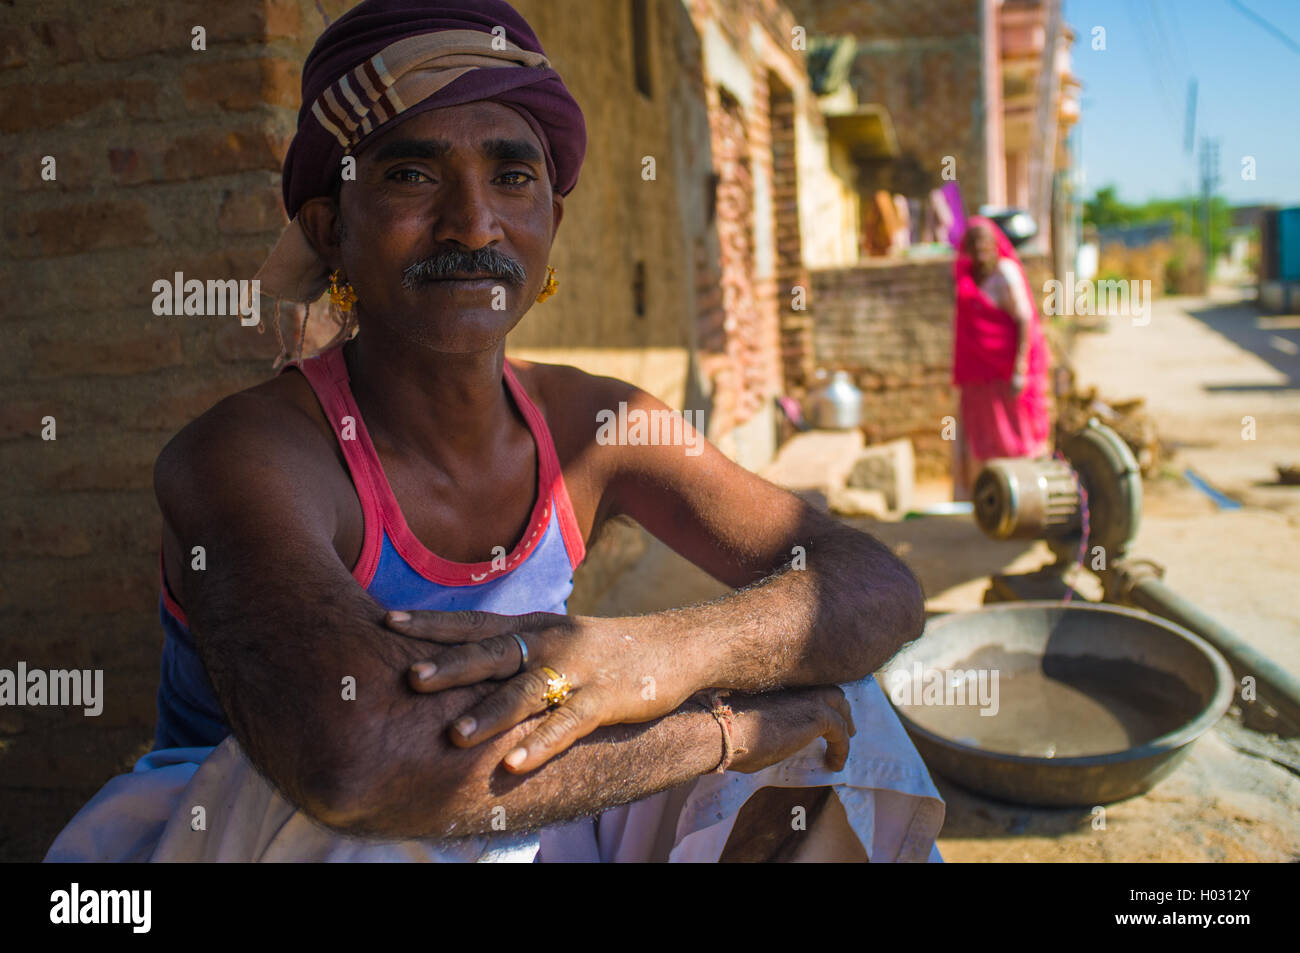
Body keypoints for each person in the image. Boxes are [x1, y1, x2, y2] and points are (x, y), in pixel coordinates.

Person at [45, 0, 944, 863]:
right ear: (332, 228)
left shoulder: (596, 424)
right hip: (273, 832)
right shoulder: (244, 454)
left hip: (505, 802)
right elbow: (353, 762)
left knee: (849, 716)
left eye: (513, 177)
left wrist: (650, 655)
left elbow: (873, 587)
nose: (474, 223)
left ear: (550, 219)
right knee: (380, 805)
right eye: (411, 174)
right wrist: (719, 731)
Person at [951, 217, 1051, 500]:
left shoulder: (1005, 272)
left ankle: (1030, 500)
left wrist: (1019, 369)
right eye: (973, 243)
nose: (980, 248)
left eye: (984, 241)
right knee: (985, 444)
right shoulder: (968, 278)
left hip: (1007, 375)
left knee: (1017, 440)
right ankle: (996, 503)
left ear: (995, 244)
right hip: (978, 379)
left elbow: (1024, 320)